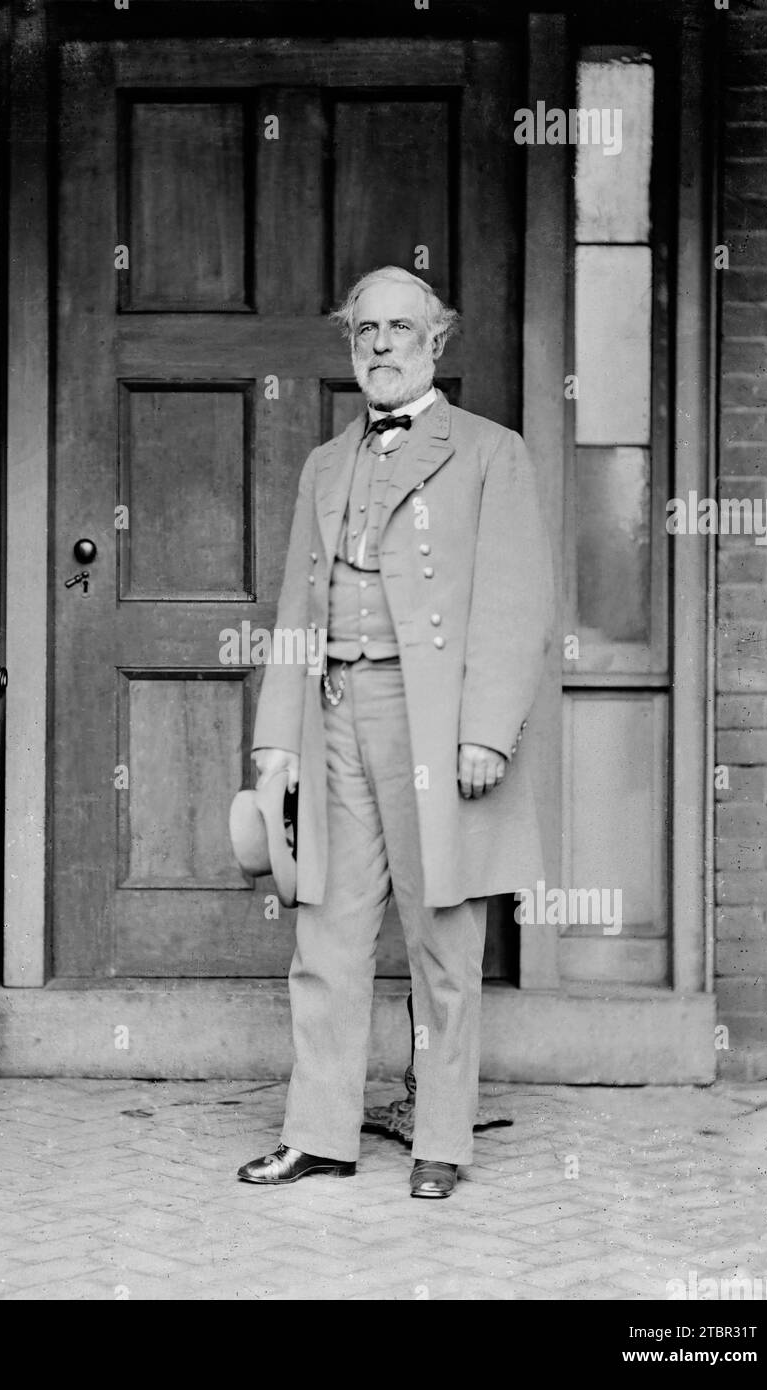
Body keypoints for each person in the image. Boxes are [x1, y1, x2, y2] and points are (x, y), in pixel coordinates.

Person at [237, 266, 554, 1198]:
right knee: (326, 936)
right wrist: (276, 744)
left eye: (399, 330)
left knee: (443, 937)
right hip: (332, 712)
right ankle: (319, 1131)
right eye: (363, 330)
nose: (379, 345)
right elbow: (296, 605)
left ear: (436, 343)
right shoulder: (324, 464)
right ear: (349, 344)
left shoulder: (492, 453)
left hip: (435, 726)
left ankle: (441, 1140)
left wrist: (487, 731)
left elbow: (514, 602)